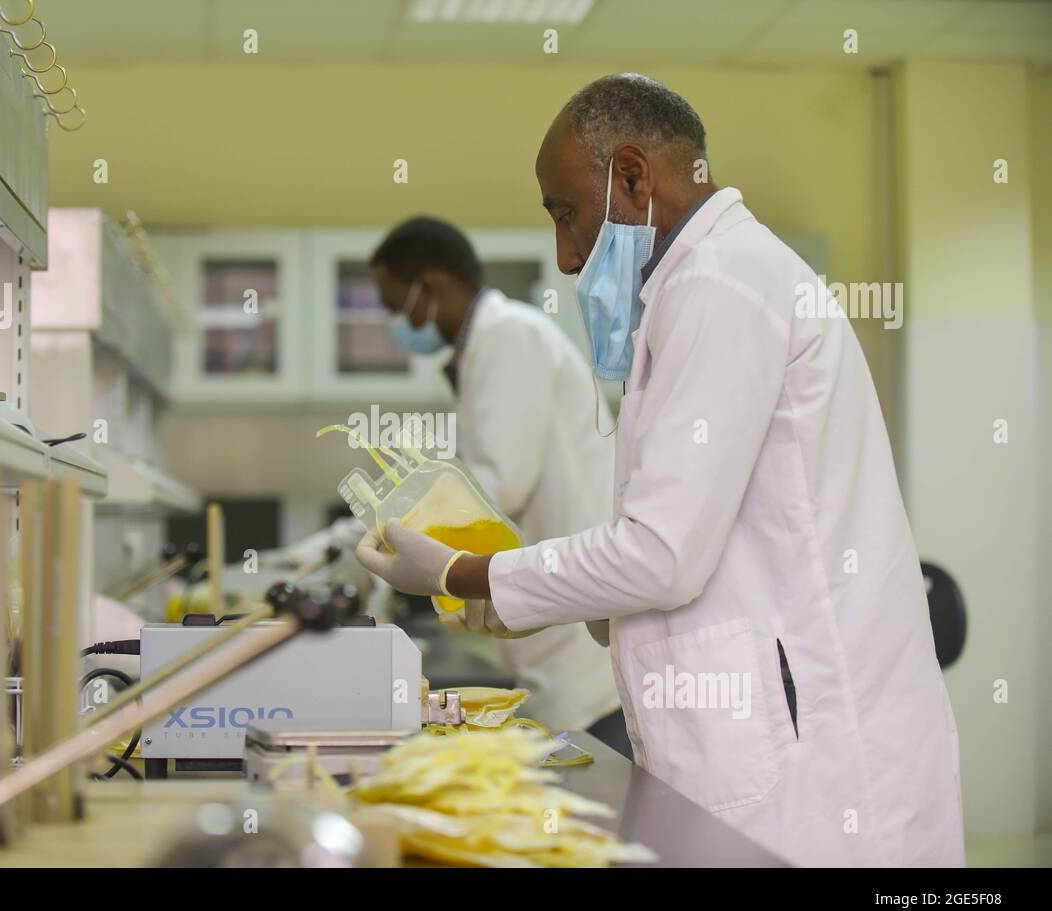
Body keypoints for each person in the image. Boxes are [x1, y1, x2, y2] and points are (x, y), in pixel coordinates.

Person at [357, 73, 965, 867]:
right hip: (759, 736)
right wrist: (584, 604)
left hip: (813, 766)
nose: (567, 257)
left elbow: (664, 553)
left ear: (636, 178)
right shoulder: (704, 288)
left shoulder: (724, 284)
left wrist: (467, 571)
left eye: (567, 213)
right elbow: (703, 541)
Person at [289, 216, 624, 741]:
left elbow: (495, 484)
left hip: (577, 652)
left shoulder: (509, 336)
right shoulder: (485, 350)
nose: (396, 322)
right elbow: (470, 482)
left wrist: (370, 536)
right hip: (550, 631)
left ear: (432, 285)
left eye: (396, 304)